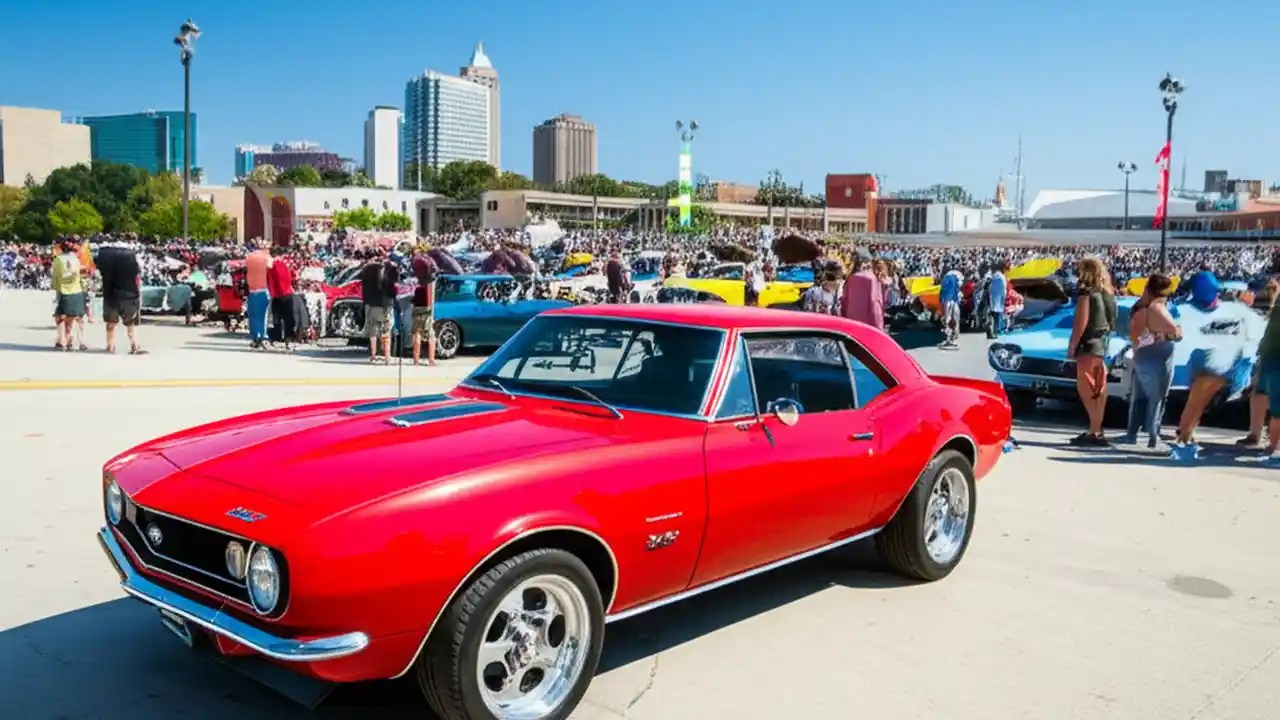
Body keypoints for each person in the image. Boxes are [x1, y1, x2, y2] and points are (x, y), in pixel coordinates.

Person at [1171, 271, 1266, 461]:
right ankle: (1185, 437)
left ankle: (1186, 436)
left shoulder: (1185, 308)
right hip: (1211, 365)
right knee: (1197, 402)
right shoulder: (1229, 310)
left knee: (1196, 402)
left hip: (1209, 364)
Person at [1120, 273, 1179, 449]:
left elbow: (1135, 336)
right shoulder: (1154, 308)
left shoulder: (1140, 307)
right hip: (1155, 356)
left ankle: (1133, 434)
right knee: (1157, 397)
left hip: (1143, 355)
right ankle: (1153, 435)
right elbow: (1173, 331)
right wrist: (1169, 334)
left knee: (1139, 397)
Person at [1066, 257, 1118, 446]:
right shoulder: (1108, 293)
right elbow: (1113, 322)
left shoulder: (1086, 293)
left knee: (1086, 388)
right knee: (1099, 388)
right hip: (1102, 344)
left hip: (1088, 343)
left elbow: (1081, 322)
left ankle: (1094, 430)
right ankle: (1096, 429)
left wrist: (1072, 346)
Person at [1237, 276, 1279, 450]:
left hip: (1274, 356)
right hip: (1268, 354)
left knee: (1274, 401)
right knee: (1258, 395)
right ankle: (1256, 435)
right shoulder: (1274, 302)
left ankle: (1273, 444)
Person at [1249, 281, 1280, 463]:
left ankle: (1273, 444)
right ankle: (1274, 446)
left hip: (1270, 357)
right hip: (1275, 359)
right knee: (1277, 407)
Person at [98, 241, 146, 355]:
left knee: (111, 323)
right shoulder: (131, 258)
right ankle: (134, 344)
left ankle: (110, 345)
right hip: (129, 294)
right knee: (131, 323)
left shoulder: (106, 258)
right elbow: (139, 271)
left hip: (111, 294)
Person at [361, 256, 398, 364]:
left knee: (373, 330)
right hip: (386, 305)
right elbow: (394, 288)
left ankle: (373, 355)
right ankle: (387, 357)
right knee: (386, 330)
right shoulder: (389, 273)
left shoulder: (368, 272)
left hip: (372, 304)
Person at [51, 239, 87, 351]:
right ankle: (71, 339)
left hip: (64, 290)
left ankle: (63, 340)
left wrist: (56, 287)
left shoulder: (58, 260)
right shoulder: (76, 260)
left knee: (60, 317)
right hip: (76, 289)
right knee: (72, 317)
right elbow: (80, 275)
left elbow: (56, 276)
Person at [840, 255, 884, 330]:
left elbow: (844, 300)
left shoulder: (851, 277)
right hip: (867, 323)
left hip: (851, 319)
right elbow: (874, 302)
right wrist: (879, 326)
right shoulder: (871, 279)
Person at [410, 249, 438, 366]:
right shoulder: (429, 278)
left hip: (417, 305)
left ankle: (416, 359)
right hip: (427, 306)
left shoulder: (415, 275)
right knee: (430, 333)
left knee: (416, 332)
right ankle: (431, 359)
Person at [266, 247, 297, 351]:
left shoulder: (271, 265)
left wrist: (272, 292)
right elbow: (289, 277)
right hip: (286, 293)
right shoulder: (283, 264)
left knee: (277, 318)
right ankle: (289, 338)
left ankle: (276, 337)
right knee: (288, 317)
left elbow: (270, 280)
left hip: (276, 295)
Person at [244, 239, 272, 349]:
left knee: (254, 316)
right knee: (263, 316)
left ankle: (255, 336)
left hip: (252, 290)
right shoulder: (267, 258)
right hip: (264, 290)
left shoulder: (249, 257)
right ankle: (263, 336)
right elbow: (271, 270)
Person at [938, 266, 964, 350]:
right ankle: (952, 338)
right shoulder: (957, 275)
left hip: (948, 301)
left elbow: (943, 291)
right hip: (953, 301)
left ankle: (950, 339)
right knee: (953, 319)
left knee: (948, 319)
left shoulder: (948, 276)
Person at [986, 260, 1009, 338]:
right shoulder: (1001, 277)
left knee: (992, 314)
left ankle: (991, 331)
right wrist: (1004, 298)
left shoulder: (994, 276)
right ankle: (994, 332)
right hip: (998, 300)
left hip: (993, 298)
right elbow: (1003, 289)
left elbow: (989, 288)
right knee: (996, 316)